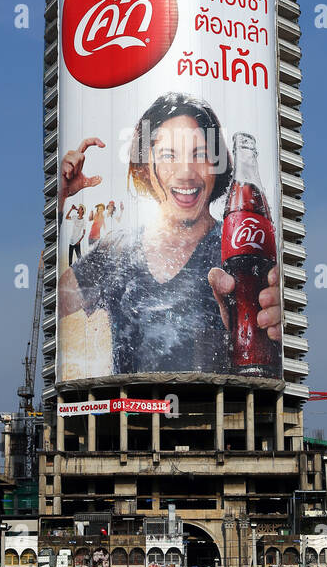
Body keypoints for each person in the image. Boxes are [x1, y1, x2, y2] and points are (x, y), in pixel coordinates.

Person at [57, 92, 281, 375]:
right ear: (146, 166)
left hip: (223, 413)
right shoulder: (117, 249)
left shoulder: (238, 248)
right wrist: (62, 199)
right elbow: (53, 306)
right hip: (129, 416)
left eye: (199, 154)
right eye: (168, 155)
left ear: (218, 163)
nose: (186, 172)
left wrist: (277, 327)